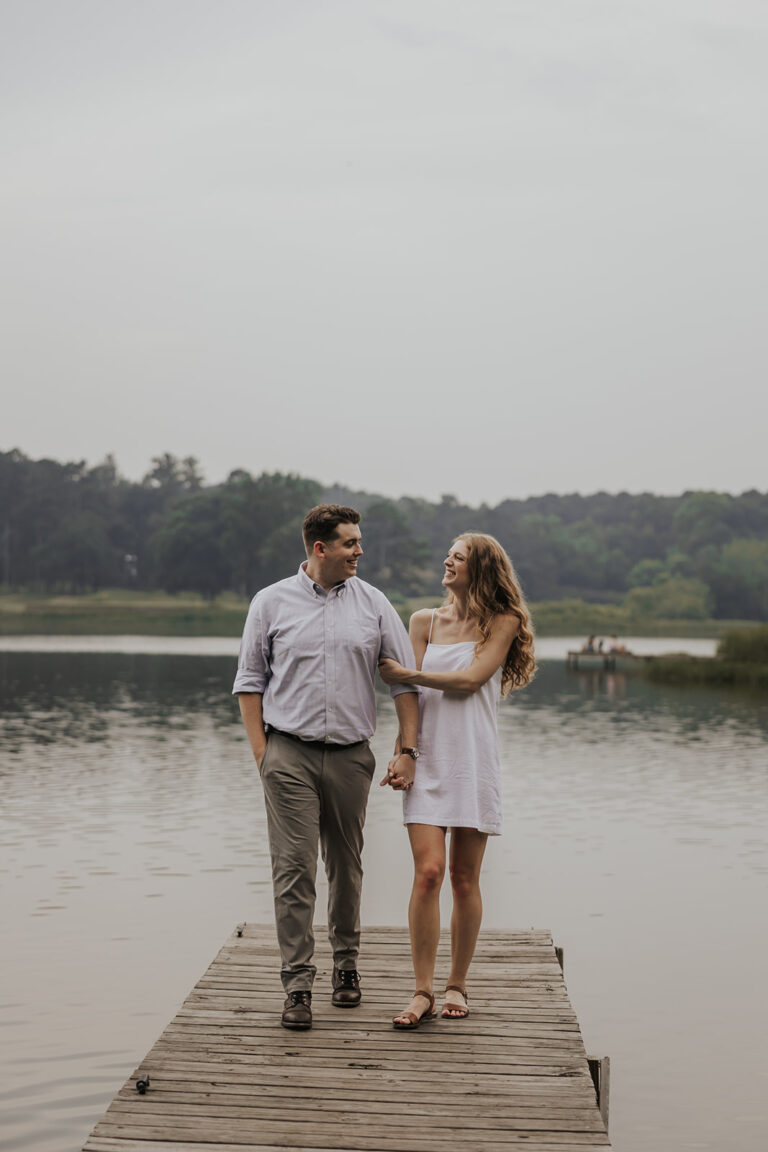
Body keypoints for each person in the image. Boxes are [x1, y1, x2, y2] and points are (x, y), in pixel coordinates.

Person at [233, 504, 419, 1030]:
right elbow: (249, 682)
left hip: (351, 756)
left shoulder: (375, 604)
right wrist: (262, 754)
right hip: (286, 752)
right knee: (294, 869)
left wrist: (408, 750)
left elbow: (403, 682)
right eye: (350, 542)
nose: (360, 550)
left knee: (346, 865)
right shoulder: (270, 603)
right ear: (320, 548)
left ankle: (346, 966)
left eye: (359, 541)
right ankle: (296, 985)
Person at [378, 533, 535, 1029]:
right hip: (427, 760)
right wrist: (404, 752)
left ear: (482, 568)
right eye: (449, 553)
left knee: (465, 879)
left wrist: (408, 671)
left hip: (472, 762)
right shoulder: (423, 621)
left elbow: (470, 681)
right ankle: (422, 990)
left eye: (459, 556)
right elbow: (407, 696)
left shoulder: (503, 622)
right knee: (428, 873)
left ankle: (457, 984)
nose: (448, 560)